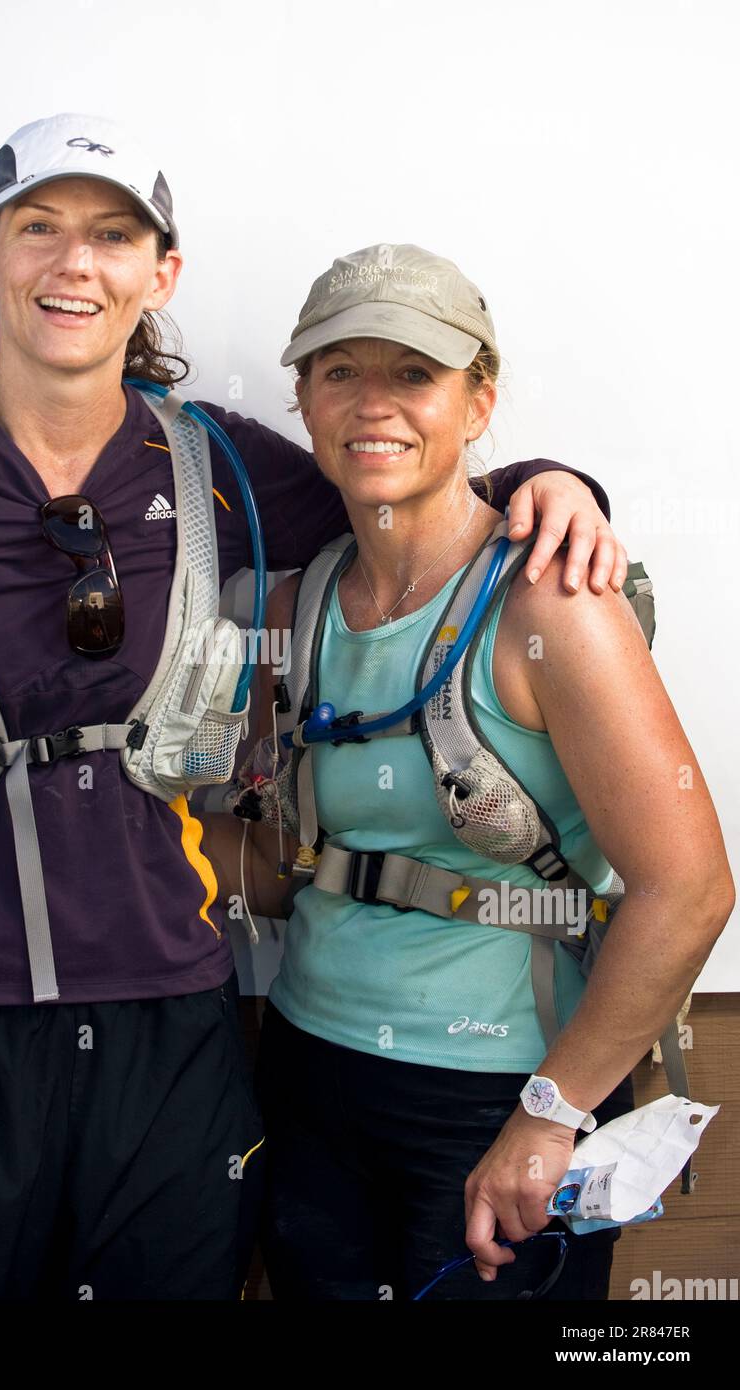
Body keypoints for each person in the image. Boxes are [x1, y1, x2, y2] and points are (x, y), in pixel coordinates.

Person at [0, 118, 623, 1301]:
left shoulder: (215, 462)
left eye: (113, 236)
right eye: (38, 230)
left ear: (159, 275)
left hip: (173, 1033)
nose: (75, 265)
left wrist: (547, 484)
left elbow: (398, 480)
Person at [203, 242, 734, 1301]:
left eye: (413, 373)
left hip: (497, 1094)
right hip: (308, 1073)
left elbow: (690, 891)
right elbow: (262, 872)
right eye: (338, 370)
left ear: (477, 400)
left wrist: (549, 1116)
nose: (373, 405)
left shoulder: (551, 604)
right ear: (301, 399)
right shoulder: (286, 609)